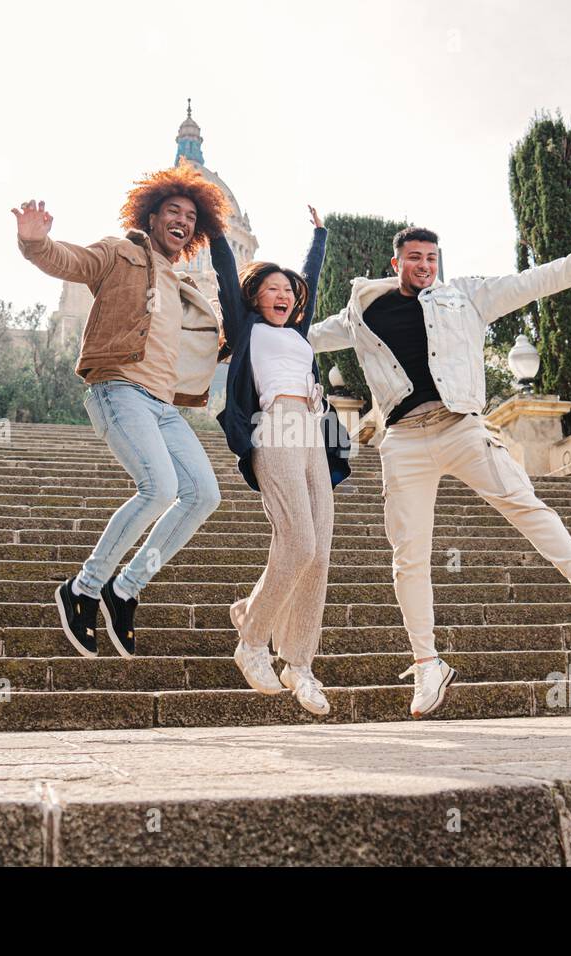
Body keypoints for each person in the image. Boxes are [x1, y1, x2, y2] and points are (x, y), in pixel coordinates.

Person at [308, 218, 571, 719]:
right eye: (415, 258)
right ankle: (427, 664)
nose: (424, 266)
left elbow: (532, 283)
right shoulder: (362, 309)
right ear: (396, 262)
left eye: (432, 259)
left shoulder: (465, 297)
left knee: (524, 501)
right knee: (409, 554)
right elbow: (302, 336)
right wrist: (241, 336)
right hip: (403, 439)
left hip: (459, 425)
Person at [11, 164, 229, 660]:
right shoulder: (120, 253)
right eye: (172, 211)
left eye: (191, 216)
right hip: (119, 388)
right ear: (151, 217)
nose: (182, 220)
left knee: (204, 495)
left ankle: (125, 588)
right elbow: (70, 261)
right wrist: (34, 242)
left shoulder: (182, 286)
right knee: (160, 488)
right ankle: (84, 589)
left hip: (164, 406)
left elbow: (197, 349)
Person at [211, 205, 350, 716]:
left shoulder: (297, 332)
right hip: (274, 427)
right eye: (272, 289)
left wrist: (320, 235)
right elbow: (226, 274)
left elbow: (309, 277)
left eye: (288, 292)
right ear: (254, 297)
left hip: (313, 430)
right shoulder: (248, 329)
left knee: (320, 549)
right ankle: (252, 640)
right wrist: (217, 228)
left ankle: (299, 663)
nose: (284, 295)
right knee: (297, 539)